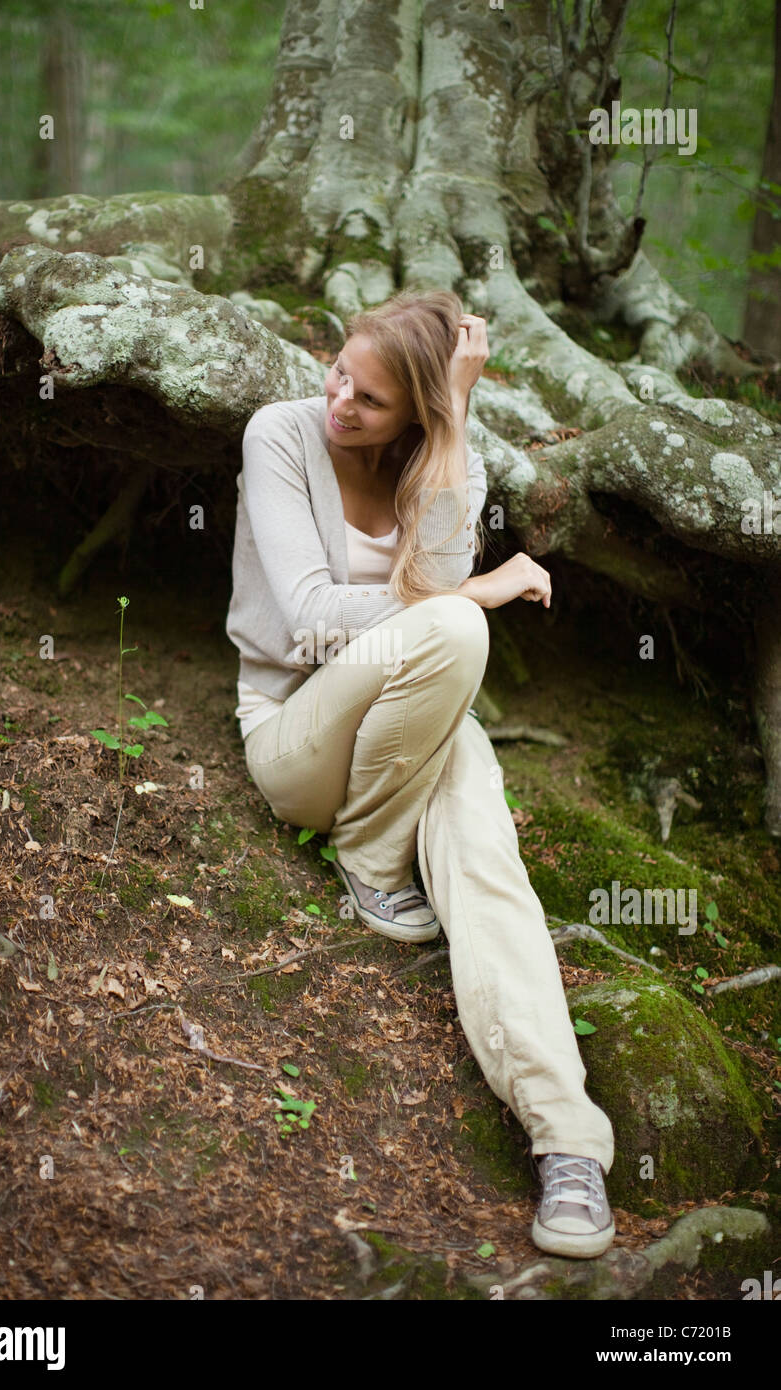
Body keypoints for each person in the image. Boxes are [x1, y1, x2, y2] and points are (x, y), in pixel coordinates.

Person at [225, 290, 615, 1259]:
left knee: (487, 862)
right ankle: (366, 848)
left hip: (415, 724)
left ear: (420, 413)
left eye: (371, 399)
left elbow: (434, 597)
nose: (340, 402)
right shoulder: (281, 433)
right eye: (339, 374)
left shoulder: (449, 460)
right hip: (296, 733)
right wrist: (475, 590)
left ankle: (568, 1146)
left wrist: (458, 421)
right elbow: (312, 616)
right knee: (455, 620)